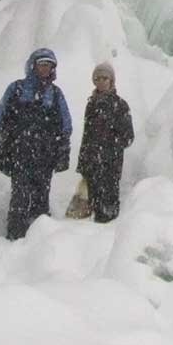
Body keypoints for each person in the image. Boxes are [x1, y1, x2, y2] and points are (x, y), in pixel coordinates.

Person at [0, 47, 73, 240]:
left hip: (45, 155)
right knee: (20, 195)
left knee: (42, 195)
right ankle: (16, 235)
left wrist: (63, 148)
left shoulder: (56, 94)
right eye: (42, 65)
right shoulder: (16, 89)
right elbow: (0, 115)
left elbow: (66, 124)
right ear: (33, 66)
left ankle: (38, 239)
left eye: (49, 66)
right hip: (20, 153)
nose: (45, 69)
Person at [76, 60, 134, 224]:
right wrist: (83, 162)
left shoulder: (120, 105)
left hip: (110, 165)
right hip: (92, 164)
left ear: (111, 80)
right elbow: (86, 136)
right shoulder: (92, 104)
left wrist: (110, 147)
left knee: (108, 205)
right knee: (92, 204)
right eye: (98, 78)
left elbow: (128, 136)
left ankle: (106, 236)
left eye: (104, 78)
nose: (101, 81)